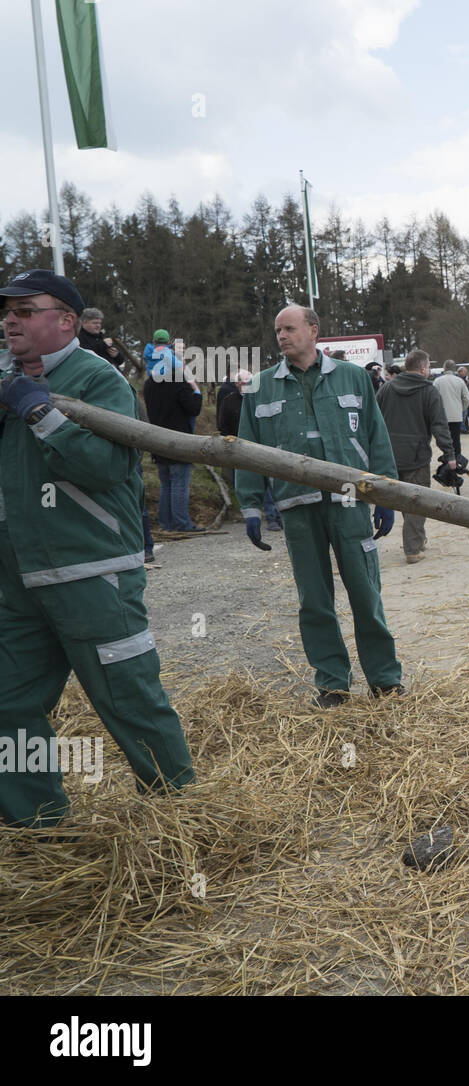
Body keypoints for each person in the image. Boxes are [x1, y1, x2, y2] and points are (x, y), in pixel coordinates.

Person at [0, 269, 194, 826]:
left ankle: (183, 815)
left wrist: (41, 413)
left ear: (65, 320)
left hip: (91, 573)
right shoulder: (4, 378)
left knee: (128, 698)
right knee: (9, 703)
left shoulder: (97, 379)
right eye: (5, 311)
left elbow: (109, 468)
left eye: (24, 308)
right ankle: (36, 826)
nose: (10, 318)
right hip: (17, 582)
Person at [236, 306, 402, 707]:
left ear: (313, 330)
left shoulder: (353, 377)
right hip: (296, 506)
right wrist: (252, 506)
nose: (282, 336)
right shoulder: (260, 388)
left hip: (349, 502)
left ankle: (384, 679)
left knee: (365, 592)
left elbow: (376, 435)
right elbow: (247, 450)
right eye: (277, 330)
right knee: (314, 599)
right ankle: (332, 683)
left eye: (289, 329)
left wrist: (386, 495)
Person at [377, 349, 453, 563]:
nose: (429, 370)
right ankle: (412, 548)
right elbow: (440, 425)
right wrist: (450, 455)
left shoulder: (387, 388)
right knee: (416, 502)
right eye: (428, 366)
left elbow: (372, 419)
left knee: (402, 499)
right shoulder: (429, 391)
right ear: (422, 368)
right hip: (416, 456)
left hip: (389, 455)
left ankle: (418, 538)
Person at [141, 332, 203, 532]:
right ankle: (181, 523)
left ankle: (166, 522)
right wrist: (196, 390)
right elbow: (193, 408)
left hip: (157, 439)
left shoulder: (149, 384)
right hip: (178, 439)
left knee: (165, 483)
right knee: (178, 484)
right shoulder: (177, 381)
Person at [217, 369, 280, 530]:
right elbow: (222, 424)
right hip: (240, 449)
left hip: (265, 447)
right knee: (250, 483)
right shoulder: (229, 400)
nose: (244, 385)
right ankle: (263, 515)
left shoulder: (263, 399)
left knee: (274, 482)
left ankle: (276, 517)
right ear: (237, 383)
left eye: (248, 382)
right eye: (242, 382)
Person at [433, 360, 469, 462]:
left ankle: (447, 460)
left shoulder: (437, 381)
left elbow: (433, 398)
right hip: (456, 415)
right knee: (456, 439)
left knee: (444, 440)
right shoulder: (460, 381)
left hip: (442, 415)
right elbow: (467, 398)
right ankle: (457, 460)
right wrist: (461, 409)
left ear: (444, 368)